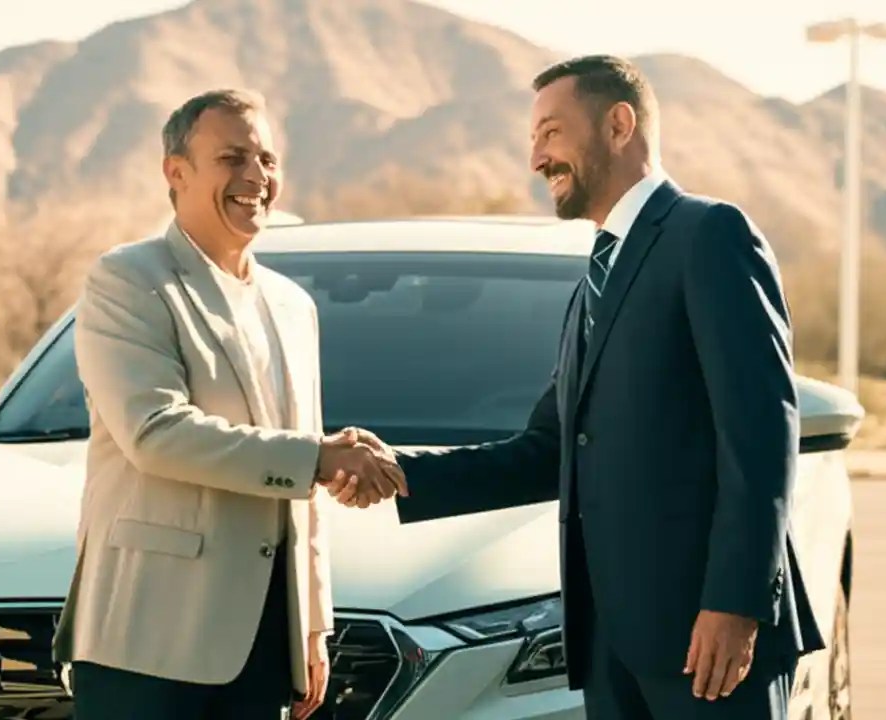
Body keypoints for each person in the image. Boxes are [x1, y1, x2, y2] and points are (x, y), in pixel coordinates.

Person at [333, 55, 823, 719]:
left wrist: (735, 604)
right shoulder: (595, 276)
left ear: (619, 124)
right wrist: (400, 473)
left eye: (551, 133)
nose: (536, 159)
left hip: (705, 642)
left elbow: (762, 436)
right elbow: (550, 450)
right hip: (611, 649)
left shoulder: (709, 236)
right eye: (533, 139)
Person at [51, 88, 404, 720]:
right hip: (148, 643)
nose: (256, 177)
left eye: (267, 159)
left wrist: (312, 625)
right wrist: (320, 459)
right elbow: (156, 431)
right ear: (176, 172)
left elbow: (303, 488)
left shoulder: (295, 307)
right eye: (233, 157)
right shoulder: (128, 280)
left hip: (264, 648)